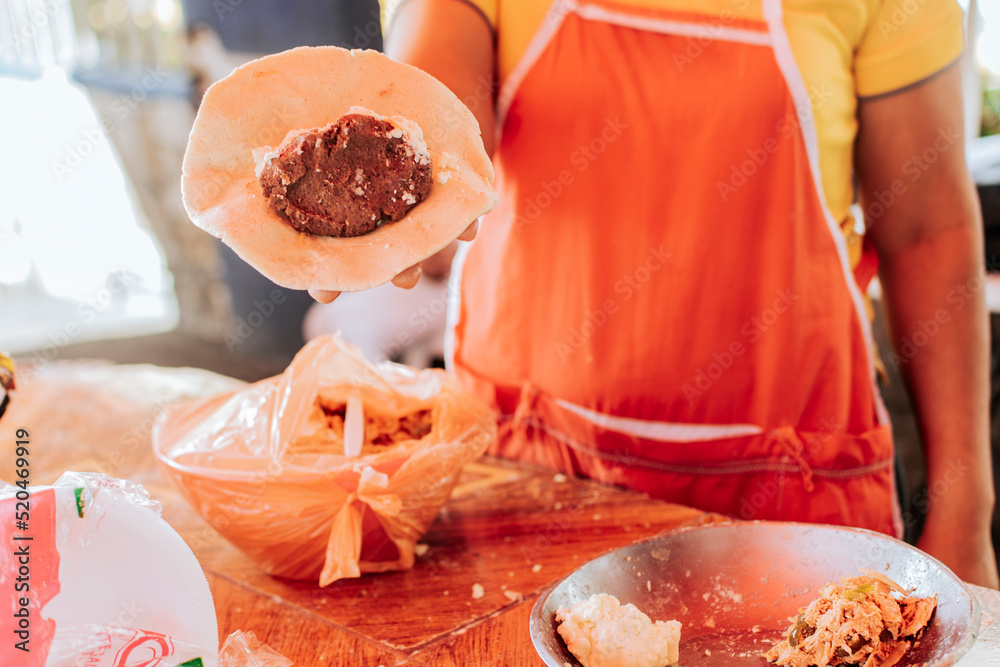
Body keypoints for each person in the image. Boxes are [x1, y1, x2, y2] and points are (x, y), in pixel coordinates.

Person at [313, 0, 999, 588]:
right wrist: (394, 195)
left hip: (795, 508)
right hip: (530, 483)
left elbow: (926, 230)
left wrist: (965, 511)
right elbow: (438, 133)